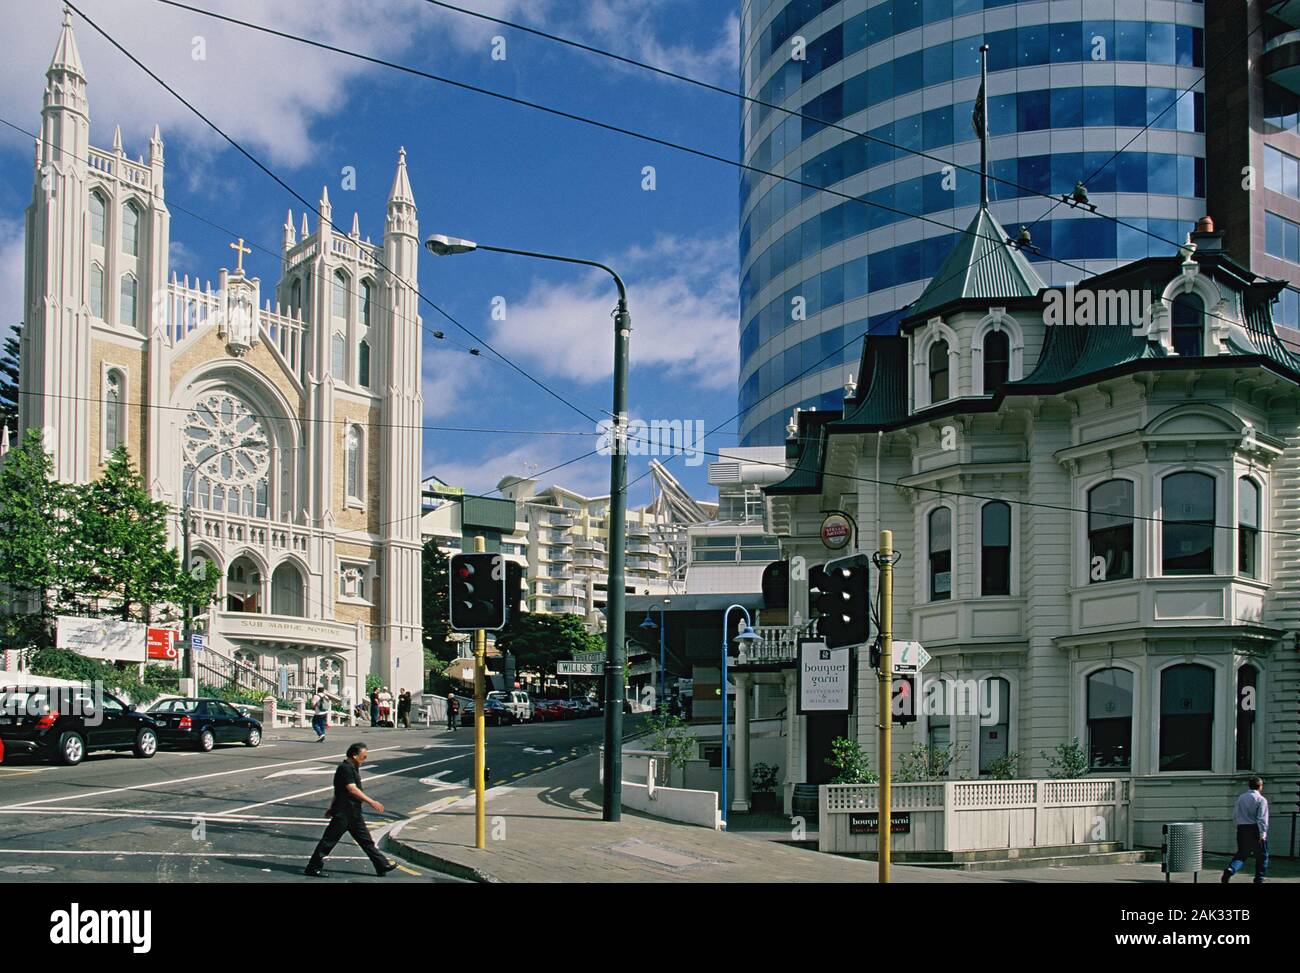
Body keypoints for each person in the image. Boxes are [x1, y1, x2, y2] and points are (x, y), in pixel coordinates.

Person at [304, 743, 396, 878]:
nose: (364, 760)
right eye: (363, 757)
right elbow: (351, 789)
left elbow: (338, 792)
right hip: (344, 812)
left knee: (366, 841)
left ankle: (381, 864)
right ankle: (312, 867)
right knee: (328, 841)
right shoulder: (345, 769)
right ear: (354, 755)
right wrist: (371, 801)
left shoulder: (352, 767)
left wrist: (331, 807)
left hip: (352, 812)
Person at [1222, 776, 1269, 883]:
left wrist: (1238, 826)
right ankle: (1259, 878)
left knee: (1242, 853)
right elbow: (1262, 818)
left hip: (1242, 828)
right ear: (1260, 786)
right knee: (1262, 856)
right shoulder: (1261, 800)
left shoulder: (1241, 797)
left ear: (1249, 786)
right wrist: (1263, 834)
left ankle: (1231, 869)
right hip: (1255, 828)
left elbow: (1235, 814)